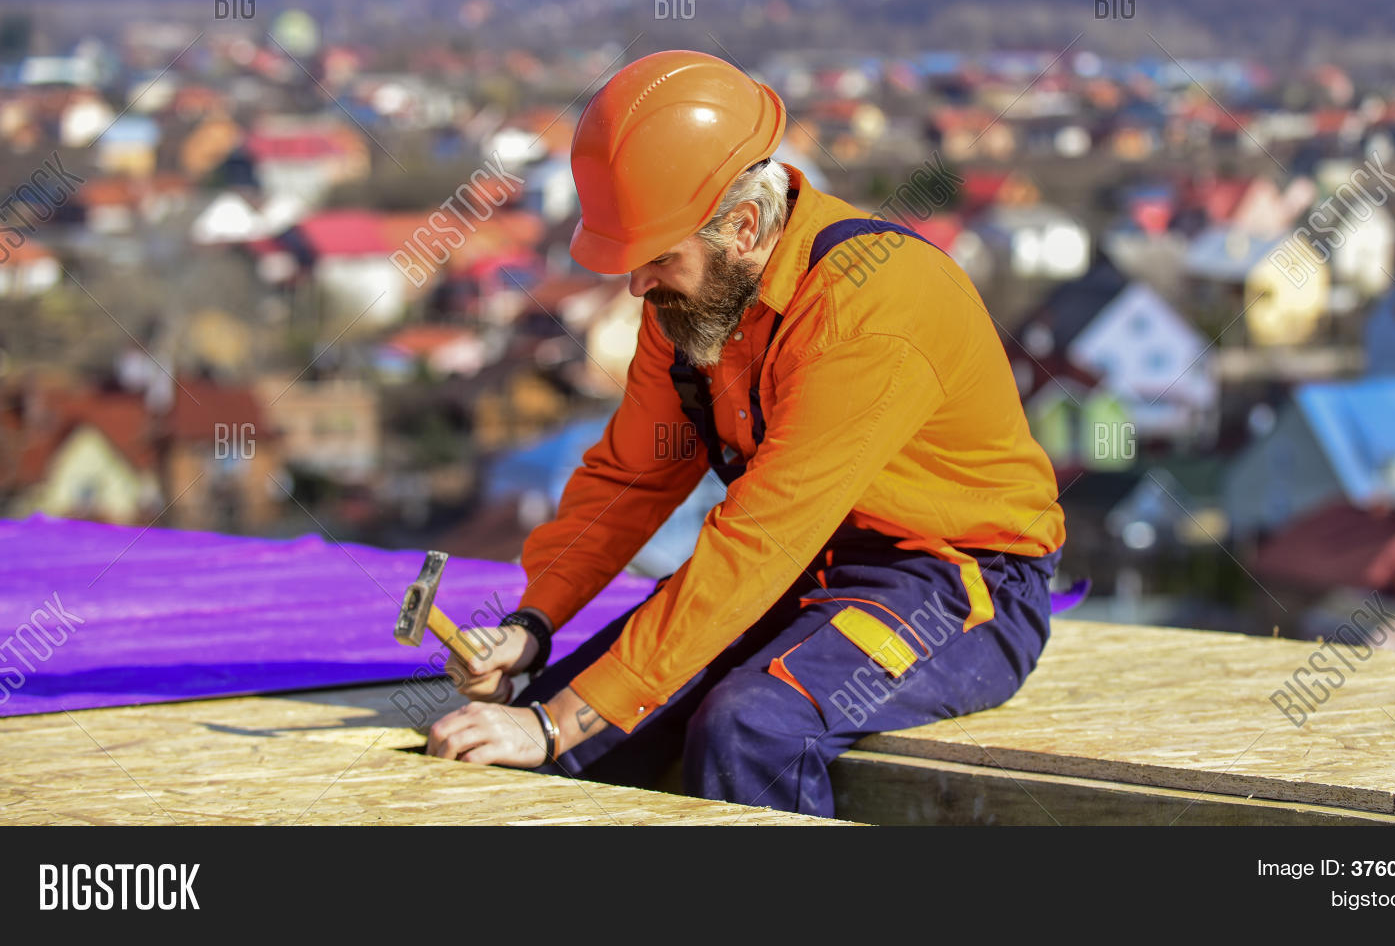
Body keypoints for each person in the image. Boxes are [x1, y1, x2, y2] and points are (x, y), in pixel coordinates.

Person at [426, 49, 1067, 818]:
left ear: (745, 223)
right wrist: (534, 624)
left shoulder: (871, 311)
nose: (636, 286)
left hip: (951, 581)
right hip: (806, 567)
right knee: (545, 735)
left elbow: (762, 539)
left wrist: (558, 723)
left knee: (751, 728)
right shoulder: (694, 305)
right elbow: (631, 479)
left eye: (657, 257)